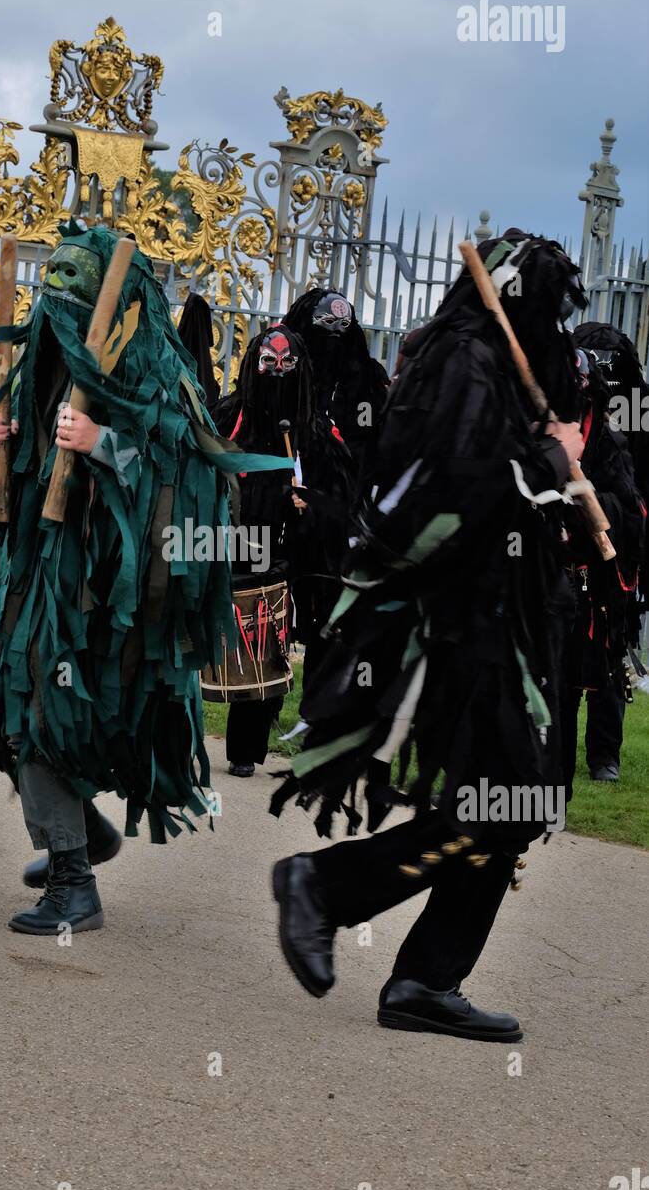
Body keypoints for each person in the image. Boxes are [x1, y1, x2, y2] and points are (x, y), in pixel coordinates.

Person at [271, 229, 598, 1042]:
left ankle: (426, 978)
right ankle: (325, 886)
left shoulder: (502, 368)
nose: (559, 327)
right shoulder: (463, 363)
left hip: (505, 627)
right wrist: (550, 471)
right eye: (552, 308)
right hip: (462, 630)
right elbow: (456, 493)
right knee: (505, 799)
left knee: (513, 804)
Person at [0, 221, 287, 934]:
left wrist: (103, 442)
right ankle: (86, 837)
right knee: (1, 711)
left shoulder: (152, 370)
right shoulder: (45, 360)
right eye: (55, 277)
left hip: (112, 596)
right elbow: (23, 484)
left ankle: (73, 886)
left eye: (78, 278)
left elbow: (190, 475)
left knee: (39, 711)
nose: (60, 292)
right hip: (41, 579)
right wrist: (3, 446)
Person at [210, 322, 355, 776]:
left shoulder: (314, 430)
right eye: (268, 363)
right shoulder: (230, 416)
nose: (277, 372)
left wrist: (306, 502)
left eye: (287, 364)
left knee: (266, 639)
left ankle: (245, 748)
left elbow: (341, 499)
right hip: (230, 542)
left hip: (286, 549)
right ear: (254, 364)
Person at [571, 322, 649, 780]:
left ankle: (605, 754)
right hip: (570, 538)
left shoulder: (639, 405)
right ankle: (583, 753)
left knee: (613, 641)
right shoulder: (565, 403)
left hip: (623, 543)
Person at [281, 287, 389, 480]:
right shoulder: (287, 365)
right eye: (328, 322)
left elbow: (365, 425)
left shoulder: (363, 376)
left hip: (337, 472)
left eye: (344, 324)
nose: (336, 331)